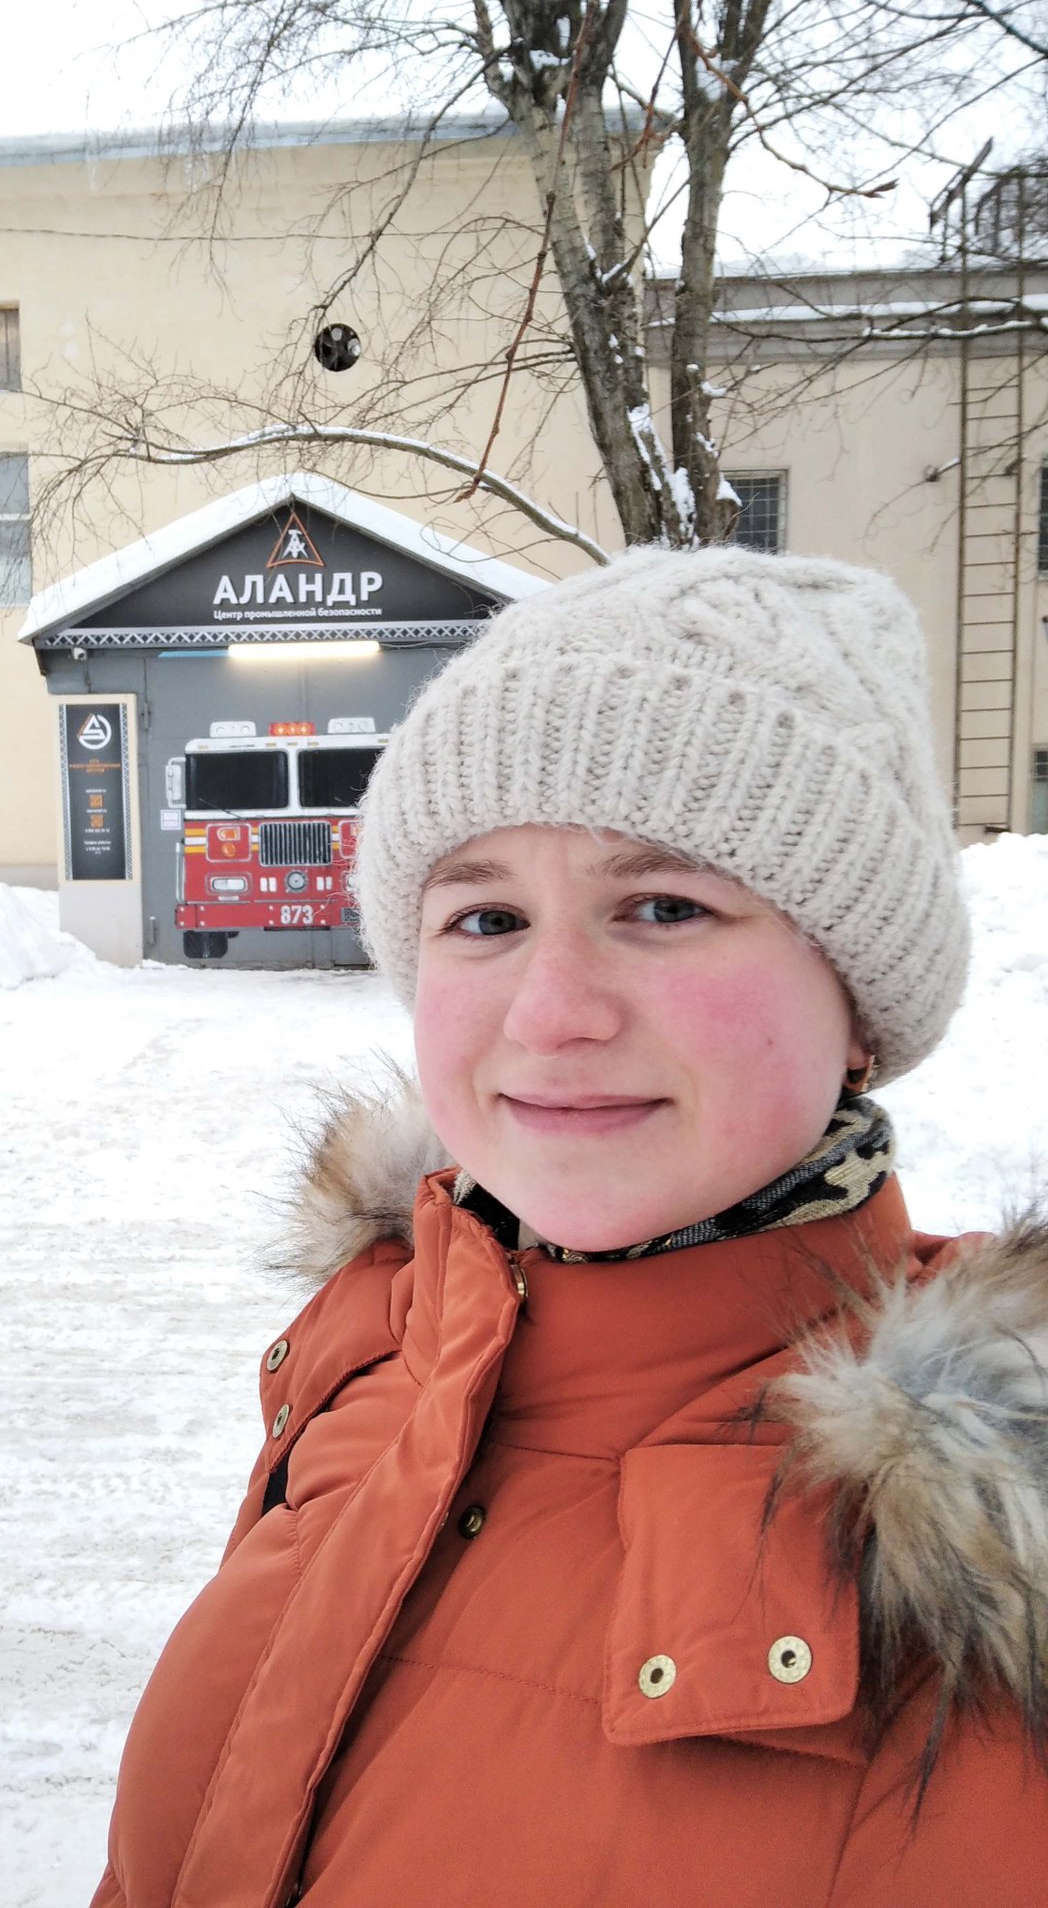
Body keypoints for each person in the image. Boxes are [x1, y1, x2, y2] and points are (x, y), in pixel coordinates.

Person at [90, 547, 1048, 1908]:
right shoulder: (375, 1351)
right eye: (485, 917)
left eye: (663, 908)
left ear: (859, 1005)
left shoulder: (985, 1573)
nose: (550, 1013)